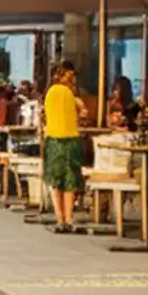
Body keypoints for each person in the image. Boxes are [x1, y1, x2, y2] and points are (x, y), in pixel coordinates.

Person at [43, 61, 85, 233]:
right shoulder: (72, 95)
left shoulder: (49, 93)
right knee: (70, 182)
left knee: (56, 181)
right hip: (72, 141)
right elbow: (82, 114)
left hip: (54, 141)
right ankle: (69, 218)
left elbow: (46, 117)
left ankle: (60, 219)